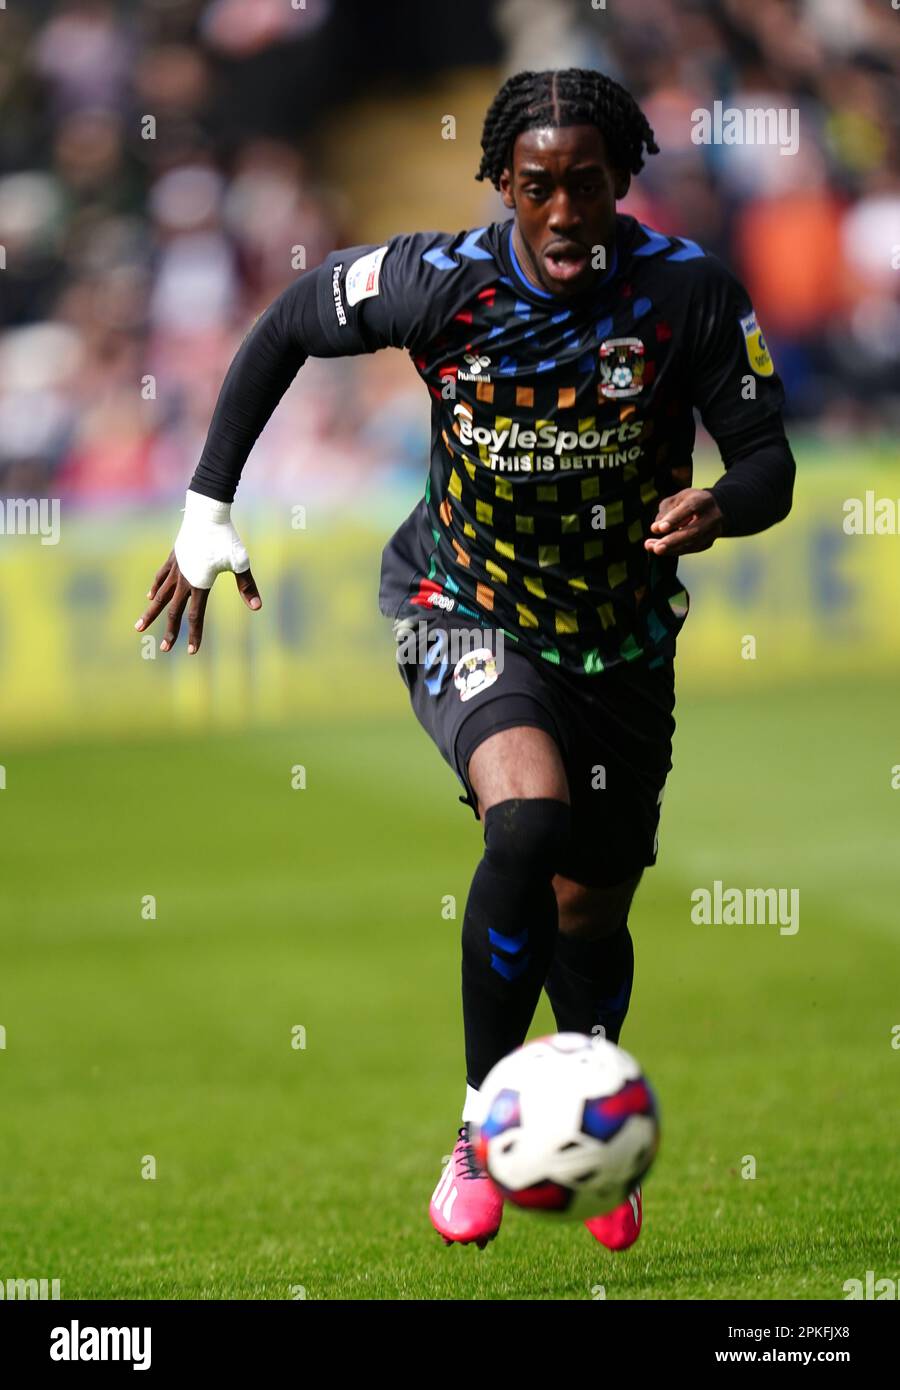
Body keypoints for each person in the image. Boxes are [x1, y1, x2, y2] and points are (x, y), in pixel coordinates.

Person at [134, 68, 795, 1253]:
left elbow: (767, 463)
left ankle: (586, 1114)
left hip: (624, 637)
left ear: (619, 182)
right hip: (463, 601)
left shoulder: (688, 294)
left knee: (588, 912)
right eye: (535, 187)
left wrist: (720, 507)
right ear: (501, 182)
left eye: (584, 186)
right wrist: (205, 507)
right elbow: (290, 319)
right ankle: (486, 1120)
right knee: (527, 821)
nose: (560, 213)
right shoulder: (438, 282)